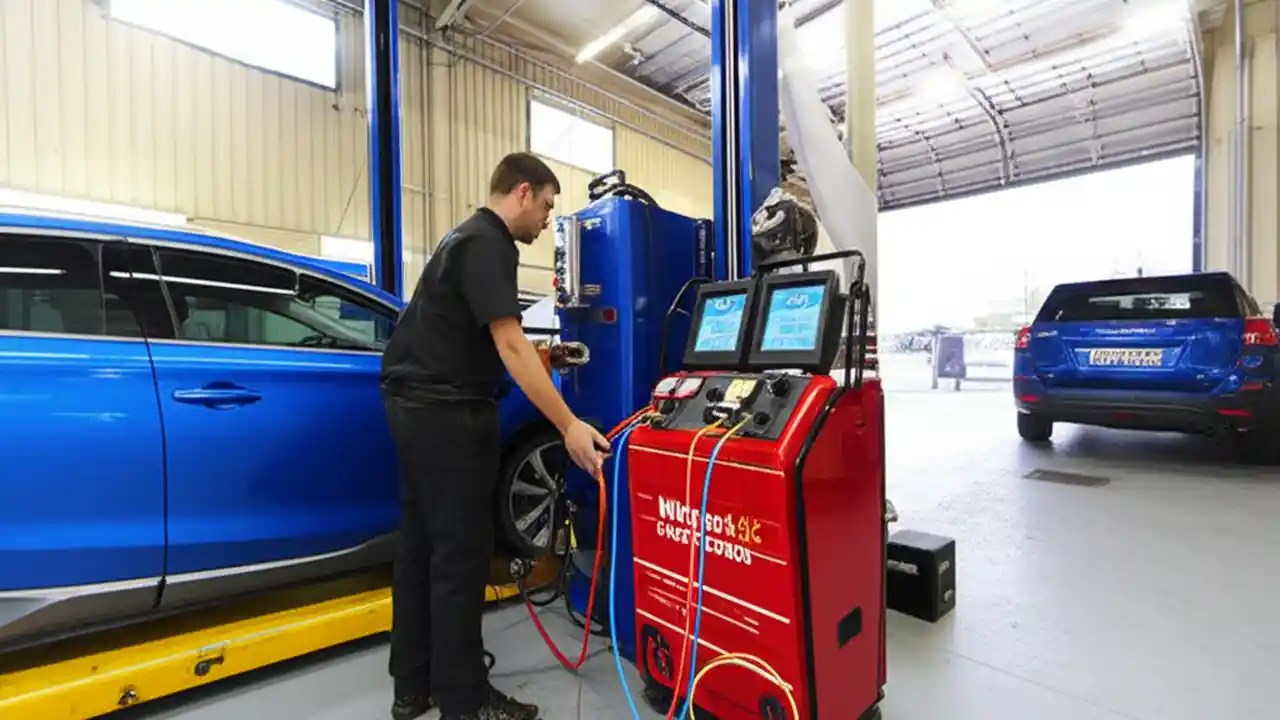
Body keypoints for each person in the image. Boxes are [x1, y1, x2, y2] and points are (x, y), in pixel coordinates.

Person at [379, 152, 611, 720]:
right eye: (549, 206)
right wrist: (569, 424)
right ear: (523, 192)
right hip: (449, 415)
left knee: (420, 549)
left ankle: (412, 687)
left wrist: (546, 356)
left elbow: (476, 337)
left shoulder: (461, 237)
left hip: (414, 407)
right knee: (460, 556)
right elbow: (507, 345)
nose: (547, 221)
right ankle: (465, 702)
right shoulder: (491, 244)